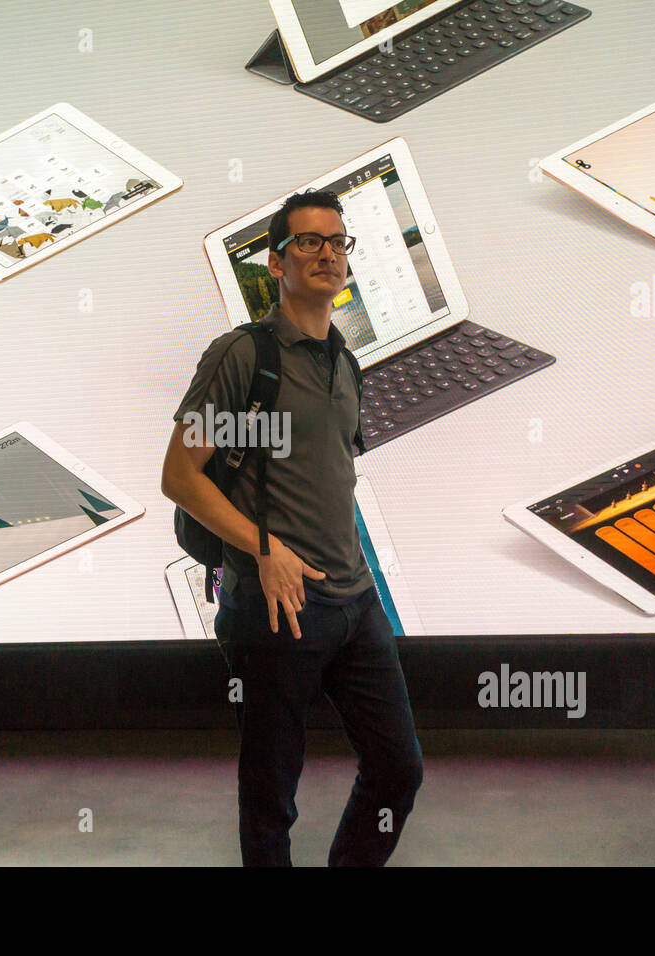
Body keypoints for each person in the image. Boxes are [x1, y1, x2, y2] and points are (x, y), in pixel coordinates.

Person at [161, 190, 423, 867]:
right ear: (276, 263)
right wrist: (265, 550)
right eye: (309, 241)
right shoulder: (244, 357)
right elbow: (180, 476)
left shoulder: (345, 361)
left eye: (338, 242)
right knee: (270, 795)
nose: (327, 253)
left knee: (399, 771)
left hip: (355, 601)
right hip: (277, 604)